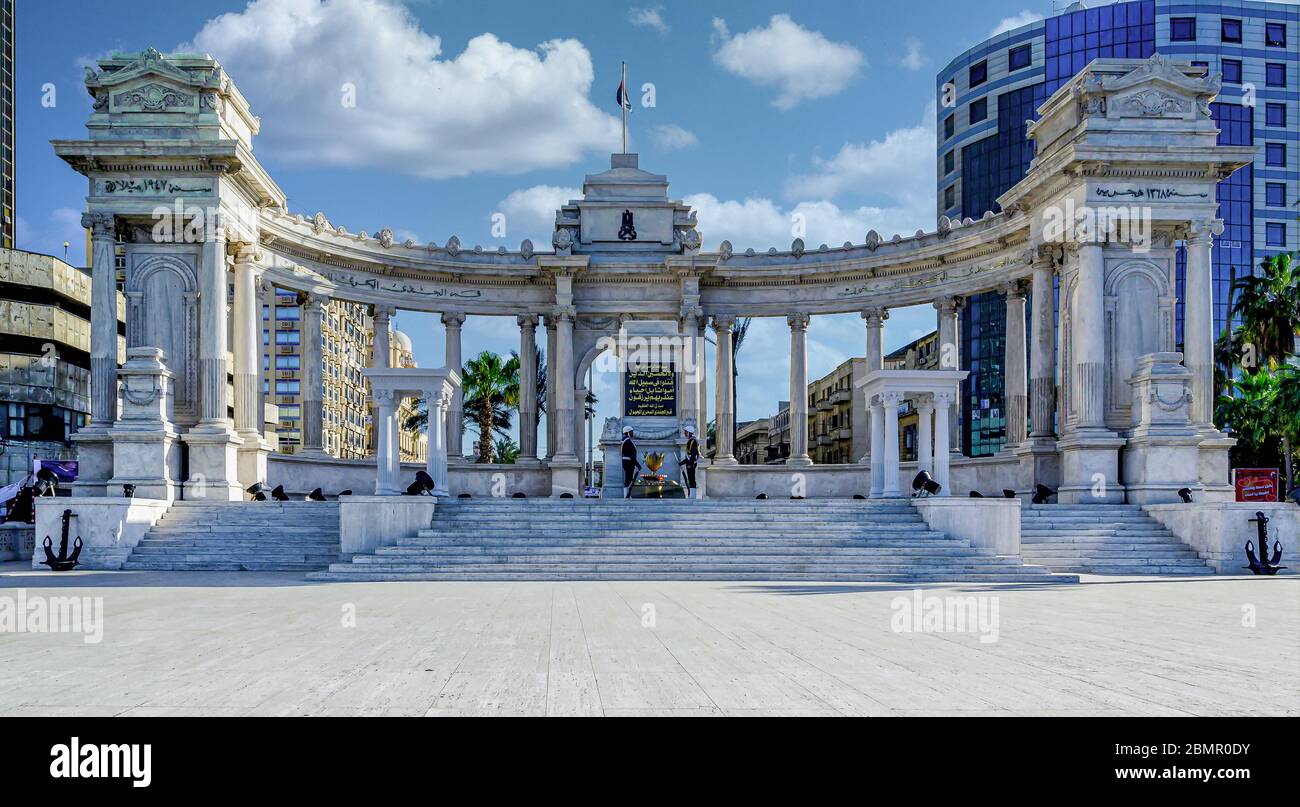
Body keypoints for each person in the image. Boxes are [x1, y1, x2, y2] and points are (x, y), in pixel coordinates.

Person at [621, 427, 640, 499]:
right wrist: (637, 464)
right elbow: (631, 455)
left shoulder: (625, 440)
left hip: (627, 462)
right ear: (627, 432)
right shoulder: (627, 441)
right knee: (629, 479)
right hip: (629, 462)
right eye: (631, 432)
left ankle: (627, 495)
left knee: (628, 478)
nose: (632, 433)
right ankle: (626, 495)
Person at [681, 427, 700, 498]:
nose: (685, 434)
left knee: (692, 479)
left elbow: (693, 454)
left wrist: (690, 463)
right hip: (690, 462)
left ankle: (693, 495)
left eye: (686, 432)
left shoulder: (693, 441)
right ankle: (691, 495)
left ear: (689, 433)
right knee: (690, 479)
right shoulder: (690, 441)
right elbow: (688, 456)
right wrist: (682, 463)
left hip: (691, 463)